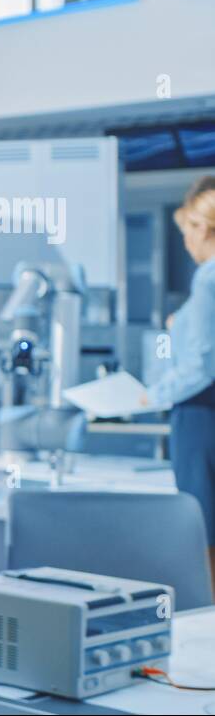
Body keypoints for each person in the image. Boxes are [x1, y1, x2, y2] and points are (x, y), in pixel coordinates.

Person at [143, 176, 215, 586]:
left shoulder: (206, 279)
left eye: (188, 230)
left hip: (199, 415)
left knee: (203, 528)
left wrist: (148, 397)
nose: (186, 241)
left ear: (202, 228)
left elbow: (200, 366)